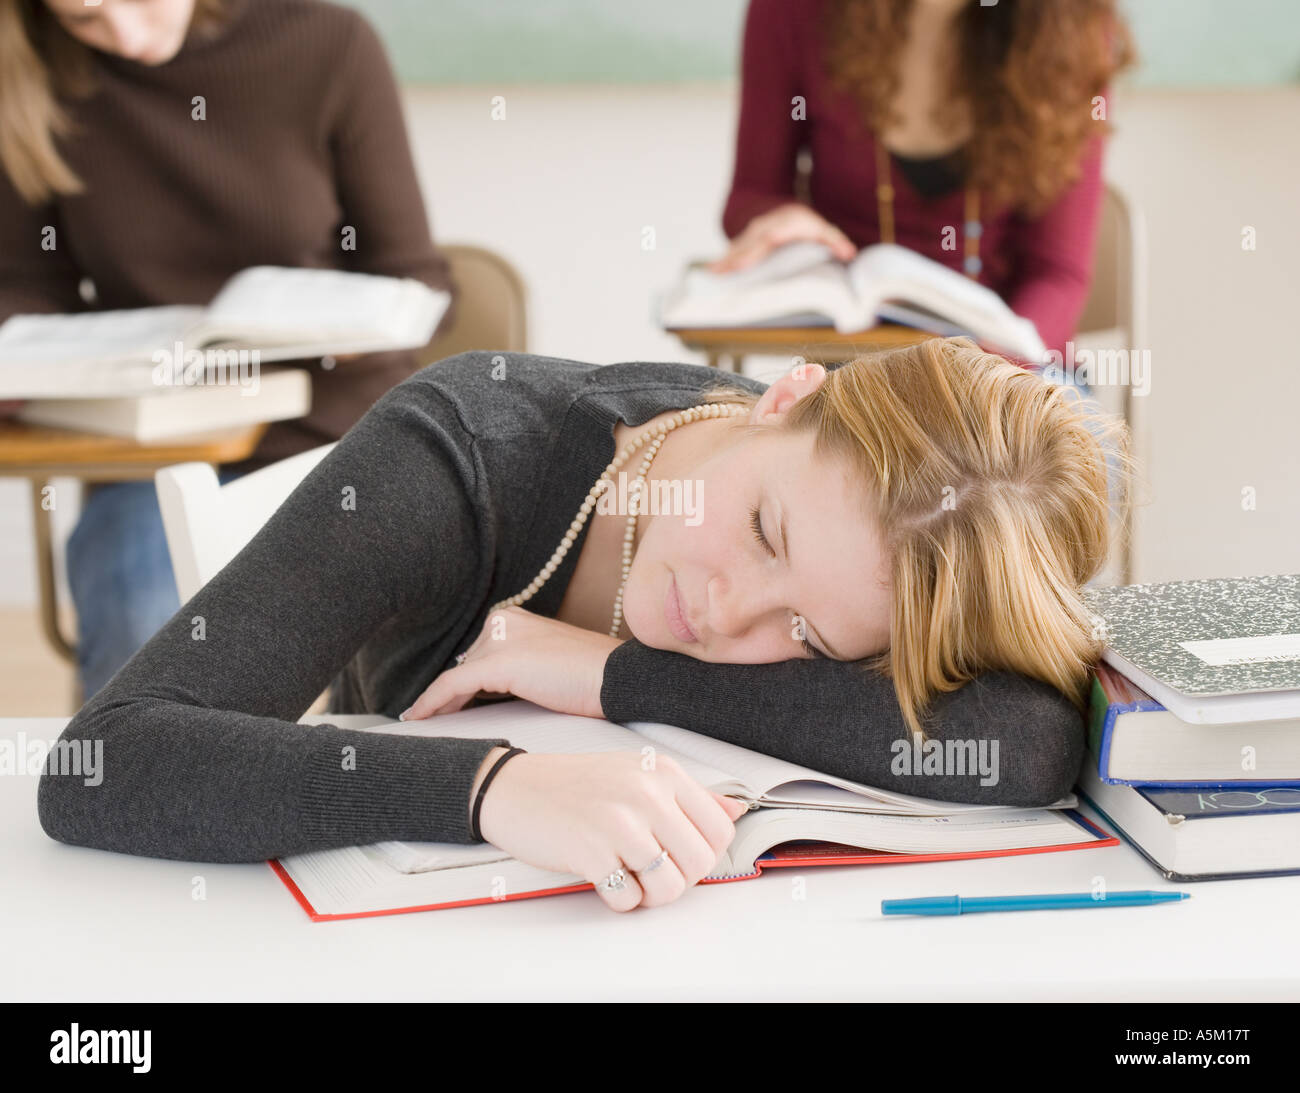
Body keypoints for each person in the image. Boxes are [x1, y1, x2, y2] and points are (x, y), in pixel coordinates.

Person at [39, 339, 1133, 913]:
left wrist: (615, 675)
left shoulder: (864, 545)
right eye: (760, 529)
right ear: (787, 396)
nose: (722, 611)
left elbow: (1035, 737)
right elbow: (103, 762)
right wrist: (492, 785)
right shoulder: (458, 455)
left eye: (802, 633)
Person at [0, 0, 457, 698]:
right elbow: (31, 284)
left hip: (341, 428)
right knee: (141, 608)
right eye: (83, 18)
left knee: (399, 654)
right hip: (162, 442)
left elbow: (418, 279)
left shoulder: (327, 43)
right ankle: (133, 802)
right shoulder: (29, 71)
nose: (125, 37)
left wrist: (323, 328)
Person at [712, 0, 1135, 363]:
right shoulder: (793, 13)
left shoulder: (1072, 32)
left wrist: (990, 376)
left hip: (1014, 378)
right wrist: (782, 221)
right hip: (850, 370)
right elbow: (750, 196)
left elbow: (1057, 274)